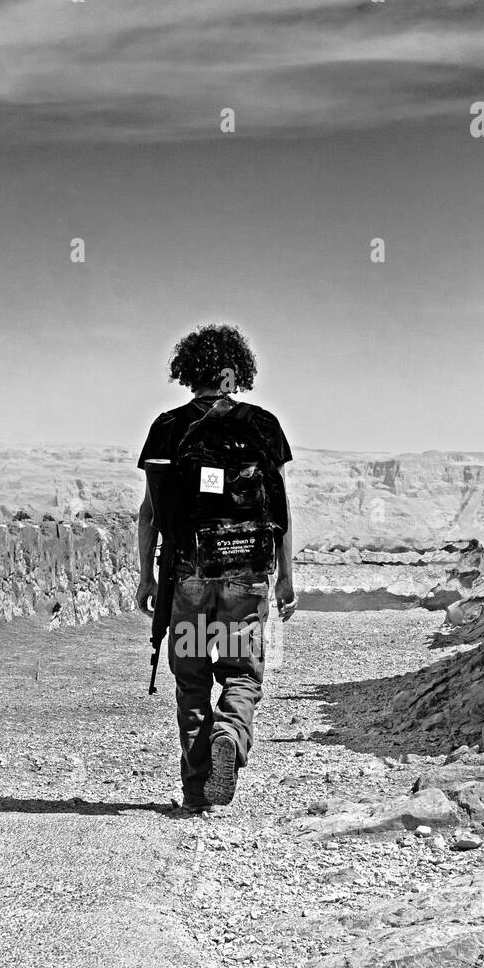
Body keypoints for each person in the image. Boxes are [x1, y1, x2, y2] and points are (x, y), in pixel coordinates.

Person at [136, 323, 297, 812]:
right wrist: (287, 575)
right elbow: (282, 508)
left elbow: (149, 513)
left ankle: (196, 791)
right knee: (241, 673)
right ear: (235, 371)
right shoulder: (262, 425)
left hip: (187, 578)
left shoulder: (167, 427)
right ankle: (230, 731)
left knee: (191, 680)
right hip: (246, 577)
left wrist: (146, 575)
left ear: (188, 371)